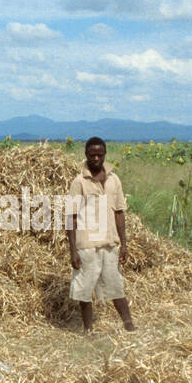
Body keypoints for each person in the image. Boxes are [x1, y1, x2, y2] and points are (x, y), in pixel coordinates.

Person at [67, 137, 134, 334]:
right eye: (92, 154)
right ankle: (88, 329)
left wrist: (124, 244)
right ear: (86, 155)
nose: (96, 158)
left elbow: (119, 212)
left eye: (100, 154)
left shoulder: (114, 180)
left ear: (105, 155)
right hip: (86, 244)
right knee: (85, 289)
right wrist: (72, 250)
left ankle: (128, 324)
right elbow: (70, 218)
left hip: (109, 243)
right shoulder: (79, 182)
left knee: (115, 285)